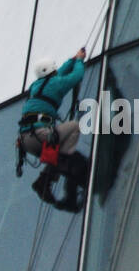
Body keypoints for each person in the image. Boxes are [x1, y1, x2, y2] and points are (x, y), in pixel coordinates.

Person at [17, 47, 89, 211]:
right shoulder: (55, 83)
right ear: (51, 71)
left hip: (27, 141)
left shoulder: (36, 85)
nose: (57, 71)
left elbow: (60, 73)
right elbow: (75, 76)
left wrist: (73, 59)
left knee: (59, 158)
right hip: (42, 136)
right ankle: (54, 172)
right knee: (74, 127)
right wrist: (79, 62)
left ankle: (45, 181)